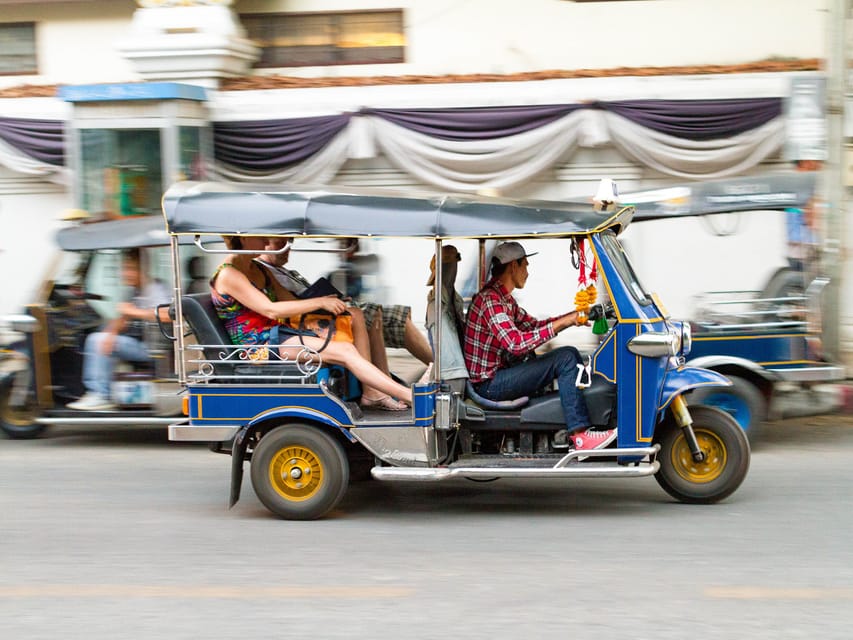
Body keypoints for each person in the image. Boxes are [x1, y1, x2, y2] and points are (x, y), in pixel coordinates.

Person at [211, 235, 412, 410]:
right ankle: (407, 395)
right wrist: (321, 302)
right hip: (258, 347)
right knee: (345, 351)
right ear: (242, 237)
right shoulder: (229, 274)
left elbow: (290, 303)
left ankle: (376, 392)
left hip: (279, 335)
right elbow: (271, 310)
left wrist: (326, 306)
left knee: (351, 326)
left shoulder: (258, 269)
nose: (266, 241)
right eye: (261, 237)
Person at [463, 241, 616, 452]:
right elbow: (516, 344)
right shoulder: (491, 301)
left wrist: (574, 316)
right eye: (525, 265)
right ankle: (580, 436)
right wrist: (565, 322)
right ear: (513, 266)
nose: (527, 271)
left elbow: (534, 325)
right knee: (566, 358)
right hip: (490, 384)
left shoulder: (504, 300)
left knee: (568, 354)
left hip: (499, 374)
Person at [68, 249, 170, 411]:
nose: (125, 273)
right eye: (124, 268)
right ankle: (100, 390)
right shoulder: (134, 291)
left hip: (154, 348)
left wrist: (134, 312)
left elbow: (169, 315)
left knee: (95, 340)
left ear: (142, 269)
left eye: (129, 268)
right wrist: (111, 333)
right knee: (101, 336)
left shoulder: (155, 289)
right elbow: (123, 318)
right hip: (141, 342)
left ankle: (100, 394)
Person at [328, 238, 434, 368]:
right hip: (341, 318)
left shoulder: (364, 266)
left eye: (349, 244)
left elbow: (373, 270)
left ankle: (438, 367)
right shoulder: (336, 275)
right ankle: (442, 372)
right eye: (344, 245)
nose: (345, 250)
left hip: (355, 312)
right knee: (389, 318)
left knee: (390, 315)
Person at [425, 244, 468, 392]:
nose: (451, 268)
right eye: (447, 264)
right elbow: (449, 362)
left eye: (454, 263)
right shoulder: (436, 306)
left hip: (461, 374)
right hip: (452, 380)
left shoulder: (454, 300)